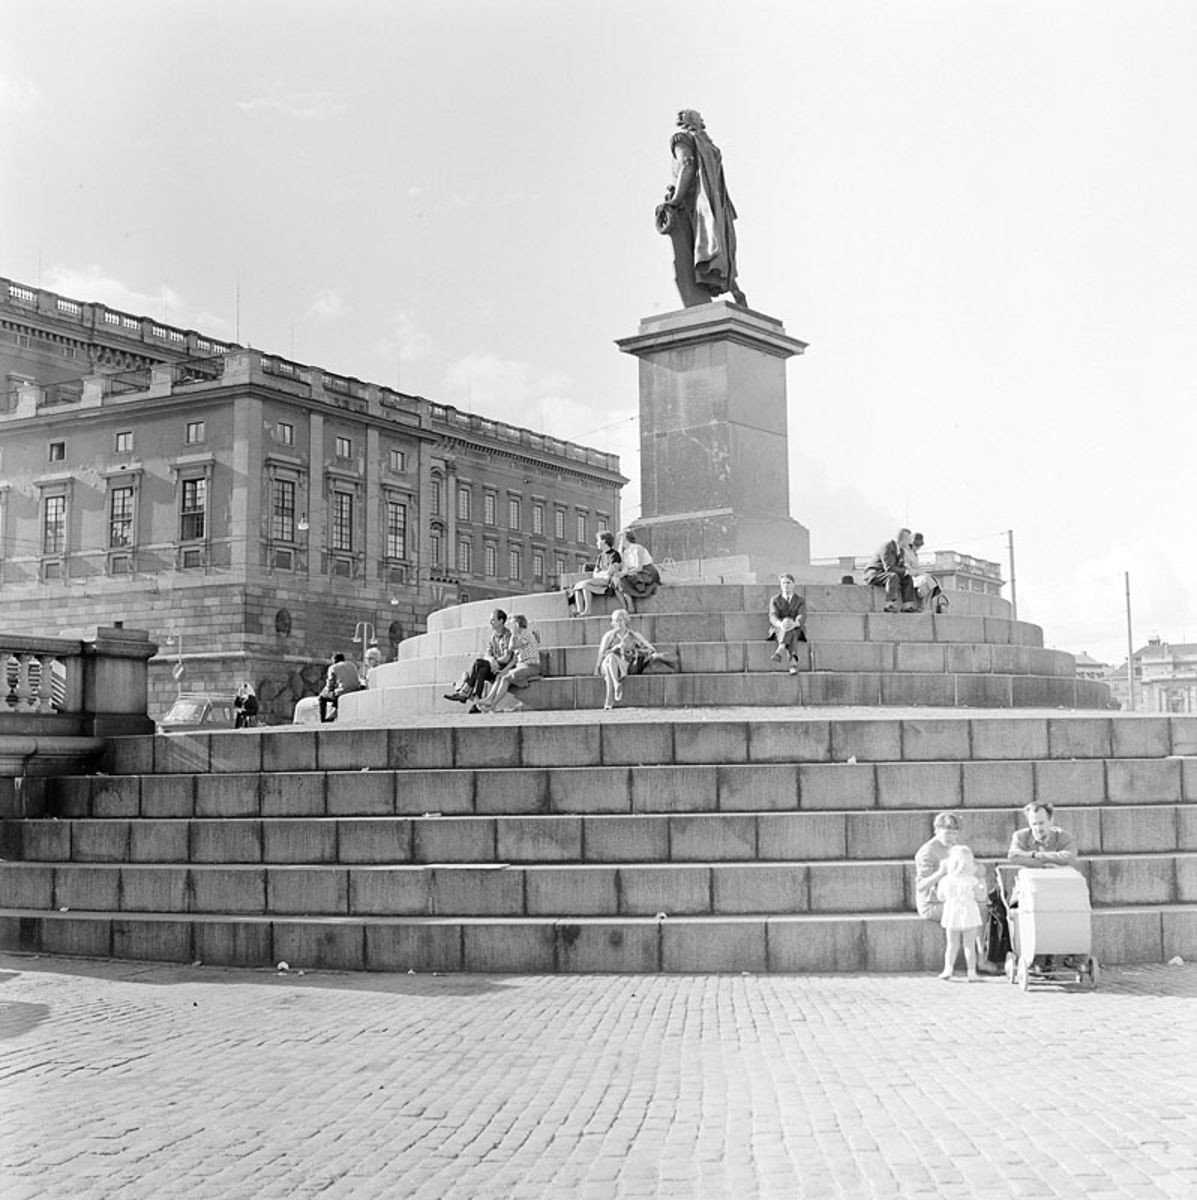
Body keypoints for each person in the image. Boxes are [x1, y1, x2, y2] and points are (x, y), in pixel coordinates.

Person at [657, 109, 747, 308]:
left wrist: (676, 199)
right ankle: (735, 289)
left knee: (695, 248)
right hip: (716, 206)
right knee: (716, 245)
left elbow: (687, 164)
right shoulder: (710, 146)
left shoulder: (682, 139)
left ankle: (711, 292)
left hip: (694, 204)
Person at [914, 811, 997, 972]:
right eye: (948, 831)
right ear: (937, 830)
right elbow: (921, 886)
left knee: (981, 905)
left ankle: (982, 955)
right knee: (978, 910)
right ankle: (981, 959)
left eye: (955, 831)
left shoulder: (956, 848)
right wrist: (941, 873)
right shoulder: (927, 852)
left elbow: (979, 868)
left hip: (958, 898)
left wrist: (976, 869)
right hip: (933, 902)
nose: (952, 835)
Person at [936, 845, 988, 981]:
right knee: (969, 945)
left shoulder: (945, 881)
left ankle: (948, 969)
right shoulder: (973, 881)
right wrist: (983, 885)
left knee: (952, 945)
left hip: (952, 912)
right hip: (969, 912)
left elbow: (940, 897)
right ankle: (971, 972)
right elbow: (981, 897)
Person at [594, 609, 663, 711]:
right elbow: (602, 653)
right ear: (613, 622)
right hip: (607, 663)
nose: (619, 623)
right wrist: (614, 648)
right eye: (616, 621)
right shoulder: (609, 636)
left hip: (624, 664)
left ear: (626, 620)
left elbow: (650, 649)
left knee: (609, 664)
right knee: (610, 658)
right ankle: (616, 685)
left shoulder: (633, 635)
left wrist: (634, 649)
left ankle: (609, 701)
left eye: (621, 620)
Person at [444, 609, 514, 704]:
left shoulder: (508, 635)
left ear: (501, 621)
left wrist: (494, 662)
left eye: (493, 620)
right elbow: (487, 654)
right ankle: (477, 700)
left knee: (479, 663)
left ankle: (465, 692)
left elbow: (507, 658)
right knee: (481, 668)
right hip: (492, 668)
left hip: (503, 669)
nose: (490, 622)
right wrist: (492, 660)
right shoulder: (493, 637)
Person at [474, 614, 541, 713]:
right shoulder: (518, 635)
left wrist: (514, 632)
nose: (509, 625)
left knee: (505, 678)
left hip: (531, 666)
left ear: (517, 624)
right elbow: (513, 656)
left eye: (512, 623)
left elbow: (512, 647)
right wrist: (503, 671)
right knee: (500, 676)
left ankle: (492, 704)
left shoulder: (525, 634)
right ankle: (489, 699)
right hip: (522, 666)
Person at [567, 531, 622, 617]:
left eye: (598, 540)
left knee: (584, 584)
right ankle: (579, 610)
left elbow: (610, 573)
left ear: (604, 541)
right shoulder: (600, 556)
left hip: (608, 581)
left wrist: (601, 573)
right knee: (577, 586)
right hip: (600, 579)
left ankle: (588, 610)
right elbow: (595, 574)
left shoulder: (614, 555)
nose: (597, 543)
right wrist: (602, 573)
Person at [1007, 802, 1079, 867]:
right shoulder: (1020, 837)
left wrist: (1032, 855)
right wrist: (1047, 865)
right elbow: (1013, 857)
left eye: (1041, 823)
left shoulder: (1063, 837)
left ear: (1050, 821)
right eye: (1034, 824)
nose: (1038, 828)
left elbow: (1069, 857)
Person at [865, 527, 918, 613]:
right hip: (875, 573)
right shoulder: (887, 546)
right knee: (893, 576)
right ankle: (889, 604)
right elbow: (889, 567)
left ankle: (907, 606)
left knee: (907, 577)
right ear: (904, 539)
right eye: (909, 539)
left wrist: (910, 572)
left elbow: (900, 567)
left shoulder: (901, 551)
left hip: (885, 573)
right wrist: (906, 571)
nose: (910, 542)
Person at [612, 529, 660, 614]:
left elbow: (639, 567)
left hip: (647, 572)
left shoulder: (638, 548)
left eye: (621, 539)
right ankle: (625, 606)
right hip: (633, 572)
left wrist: (624, 573)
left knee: (623, 579)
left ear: (626, 538)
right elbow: (625, 567)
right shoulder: (625, 552)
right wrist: (620, 572)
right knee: (615, 580)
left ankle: (630, 606)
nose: (619, 541)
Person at [767, 573, 807, 674]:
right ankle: (793, 664)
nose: (786, 585)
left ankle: (780, 649)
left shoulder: (800, 600)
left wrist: (795, 623)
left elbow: (802, 615)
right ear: (781, 585)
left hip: (796, 628)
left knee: (791, 628)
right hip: (779, 628)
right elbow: (773, 615)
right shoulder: (775, 600)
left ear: (794, 584)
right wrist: (780, 624)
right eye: (783, 583)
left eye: (788, 583)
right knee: (788, 629)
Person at [908, 533, 948, 614]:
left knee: (932, 580)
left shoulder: (915, 554)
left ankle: (926, 605)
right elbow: (907, 568)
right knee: (926, 580)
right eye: (916, 545)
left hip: (917, 575)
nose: (918, 547)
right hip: (910, 576)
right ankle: (923, 606)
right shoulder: (905, 553)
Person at [318, 652, 363, 723]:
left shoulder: (333, 667)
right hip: (356, 689)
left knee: (321, 697)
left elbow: (330, 684)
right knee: (337, 693)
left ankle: (323, 720)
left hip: (343, 692)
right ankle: (333, 713)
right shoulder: (352, 664)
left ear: (334, 660)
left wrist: (329, 691)